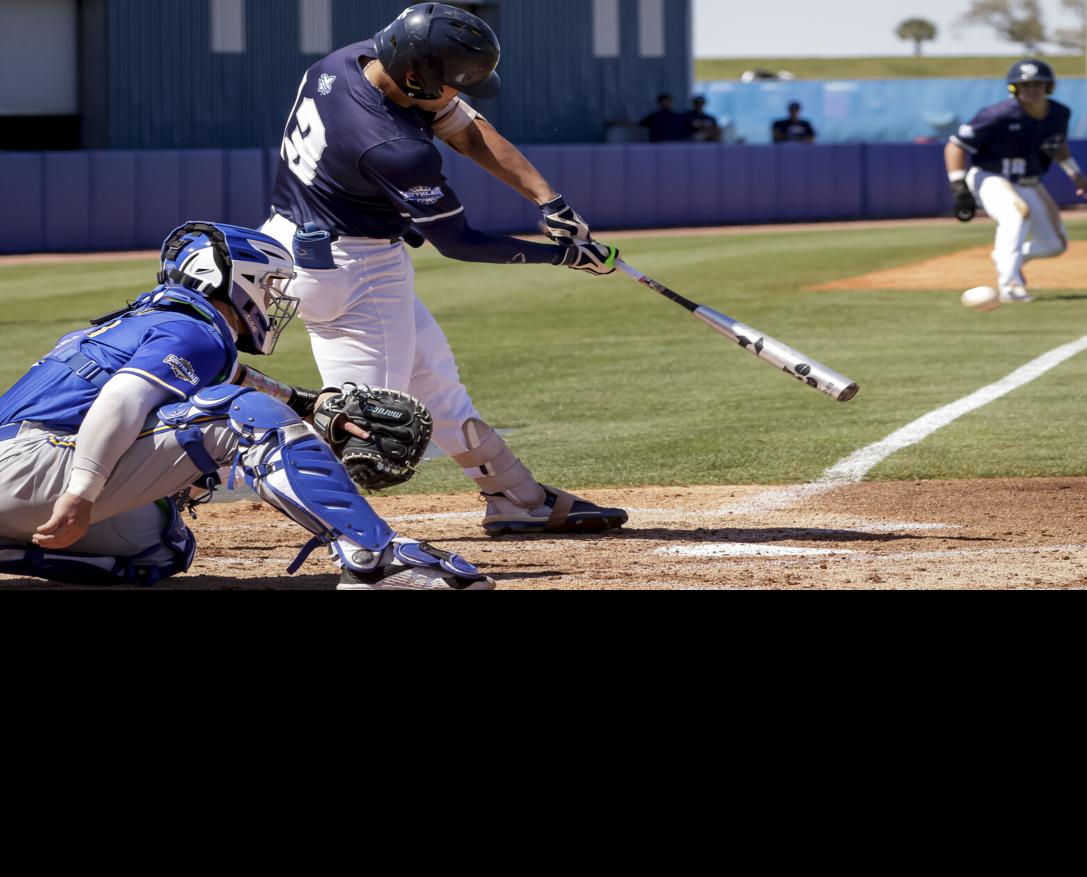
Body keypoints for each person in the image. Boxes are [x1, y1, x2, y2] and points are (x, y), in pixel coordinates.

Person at [262, 3, 629, 537]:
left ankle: (516, 497)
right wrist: (564, 256)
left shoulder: (346, 61)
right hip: (354, 269)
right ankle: (183, 480)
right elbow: (458, 243)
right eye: (451, 84)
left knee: (434, 381)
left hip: (305, 246)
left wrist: (548, 200)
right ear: (416, 76)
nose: (458, 96)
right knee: (370, 430)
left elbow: (465, 129)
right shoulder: (396, 149)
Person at [0, 222, 494, 590]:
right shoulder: (197, 327)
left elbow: (224, 377)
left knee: (157, 546)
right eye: (270, 283)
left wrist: (304, 403)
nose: (275, 298)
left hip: (18, 475)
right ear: (226, 277)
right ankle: (378, 560)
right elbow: (124, 398)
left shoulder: (146, 323)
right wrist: (83, 492)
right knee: (241, 415)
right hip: (37, 471)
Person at [943, 58, 1087, 305]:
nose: (1031, 89)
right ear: (1014, 88)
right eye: (1025, 84)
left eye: (1037, 84)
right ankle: (1010, 285)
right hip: (991, 176)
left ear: (1048, 87)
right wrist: (959, 187)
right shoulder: (997, 115)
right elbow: (956, 146)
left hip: (1029, 181)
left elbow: (1057, 144)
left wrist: (1076, 174)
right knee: (1016, 214)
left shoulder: (1059, 113)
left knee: (1055, 245)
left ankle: (1006, 257)